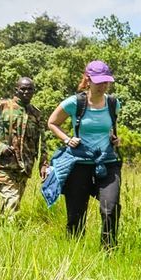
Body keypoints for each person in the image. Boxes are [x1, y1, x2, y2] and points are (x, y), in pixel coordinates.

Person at [46, 60, 122, 249]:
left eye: (106, 81)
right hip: (80, 163)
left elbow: (109, 129)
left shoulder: (113, 103)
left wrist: (114, 139)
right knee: (76, 215)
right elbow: (52, 123)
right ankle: (74, 252)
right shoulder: (75, 103)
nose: (104, 85)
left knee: (110, 208)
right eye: (99, 81)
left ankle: (109, 251)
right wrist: (66, 139)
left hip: (107, 162)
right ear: (88, 80)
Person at [0, 77, 49, 217]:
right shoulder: (2, 106)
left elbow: (43, 142)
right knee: (12, 202)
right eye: (23, 89)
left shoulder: (36, 113)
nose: (26, 92)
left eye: (30, 89)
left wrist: (44, 163)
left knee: (10, 204)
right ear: (16, 90)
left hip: (24, 168)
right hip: (4, 166)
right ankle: (12, 235)